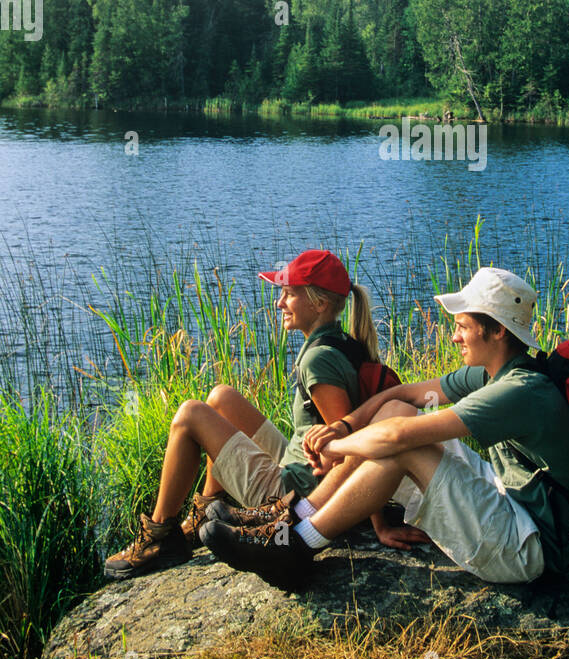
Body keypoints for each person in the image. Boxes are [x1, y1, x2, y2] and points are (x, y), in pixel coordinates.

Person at [200, 266, 569, 589]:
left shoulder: (519, 391)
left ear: (498, 331)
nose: (454, 336)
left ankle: (298, 547)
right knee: (398, 409)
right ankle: (292, 519)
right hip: (509, 502)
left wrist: (337, 449)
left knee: (404, 445)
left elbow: (401, 436)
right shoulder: (495, 373)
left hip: (528, 547)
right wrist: (344, 426)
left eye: (463, 326)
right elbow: (404, 394)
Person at [103, 249, 425, 580]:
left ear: (319, 304)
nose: (279, 303)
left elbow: (351, 449)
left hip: (291, 493)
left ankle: (159, 537)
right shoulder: (342, 341)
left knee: (189, 416)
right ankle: (202, 512)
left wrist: (379, 525)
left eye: (289, 294)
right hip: (297, 465)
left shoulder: (318, 361)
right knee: (221, 397)